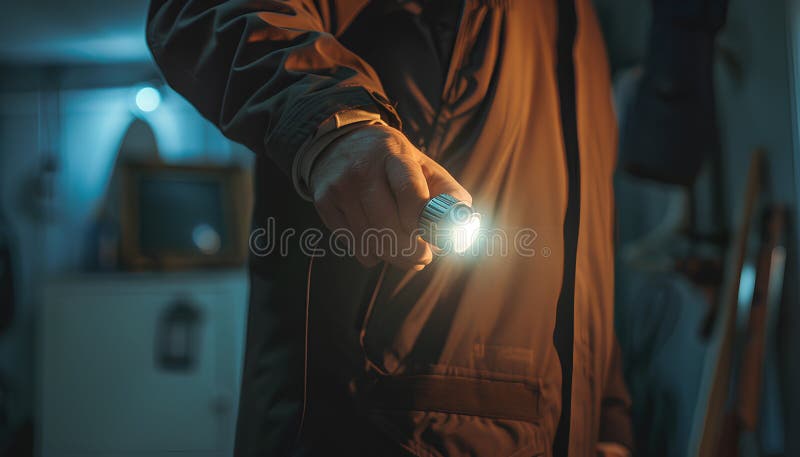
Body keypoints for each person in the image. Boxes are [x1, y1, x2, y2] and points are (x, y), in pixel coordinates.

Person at [146, 1, 633, 455]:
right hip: (380, 428)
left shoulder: (580, 22)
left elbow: (585, 269)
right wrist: (336, 123)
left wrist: (607, 431)